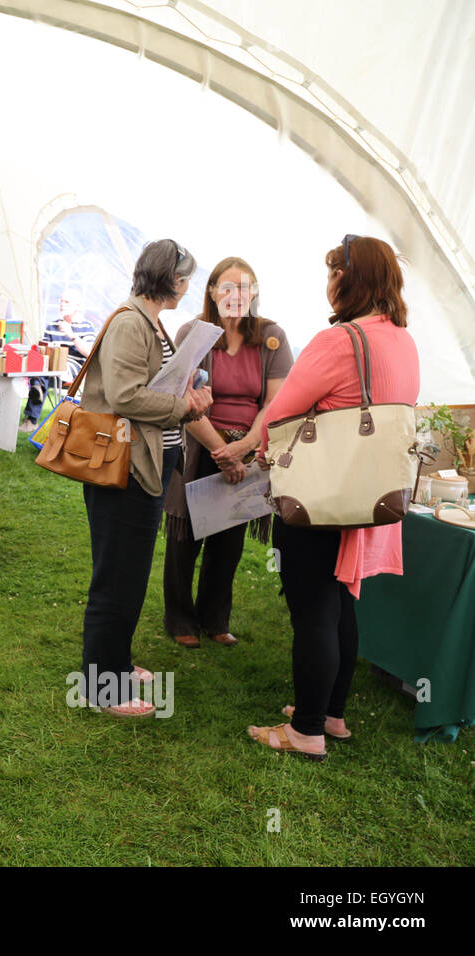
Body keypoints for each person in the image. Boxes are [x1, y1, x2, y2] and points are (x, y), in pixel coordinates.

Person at [247, 235, 419, 760]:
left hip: (321, 493)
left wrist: (256, 450)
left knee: (314, 610)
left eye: (332, 273)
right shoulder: (402, 340)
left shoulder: (340, 340)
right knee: (342, 600)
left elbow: (280, 415)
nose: (328, 284)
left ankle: (305, 731)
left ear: (350, 279)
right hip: (369, 496)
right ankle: (331, 714)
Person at [76, 239, 213, 717]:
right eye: (186, 278)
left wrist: (191, 388)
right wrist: (183, 406)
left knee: (129, 574)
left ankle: (118, 661)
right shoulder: (134, 323)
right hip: (126, 469)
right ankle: (101, 686)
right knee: (116, 577)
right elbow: (126, 396)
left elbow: (153, 384)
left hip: (148, 465)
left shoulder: (151, 322)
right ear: (172, 279)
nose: (188, 286)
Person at [162, 258, 293, 648]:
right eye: (228, 287)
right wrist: (221, 449)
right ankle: (179, 617)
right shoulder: (194, 333)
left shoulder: (271, 336)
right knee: (185, 535)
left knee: (229, 536)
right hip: (199, 442)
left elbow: (275, 402)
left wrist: (247, 446)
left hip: (248, 446)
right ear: (212, 291)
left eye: (245, 287)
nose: (237, 295)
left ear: (254, 293)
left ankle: (215, 616)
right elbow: (180, 395)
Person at [22, 288, 96, 430]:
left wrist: (71, 334)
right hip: (50, 366)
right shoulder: (52, 325)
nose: (62, 304)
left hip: (73, 368)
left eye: (67, 302)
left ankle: (31, 417)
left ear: (78, 306)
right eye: (61, 301)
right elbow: (42, 349)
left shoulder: (87, 326)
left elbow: (89, 352)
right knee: (39, 363)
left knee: (43, 371)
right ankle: (36, 386)